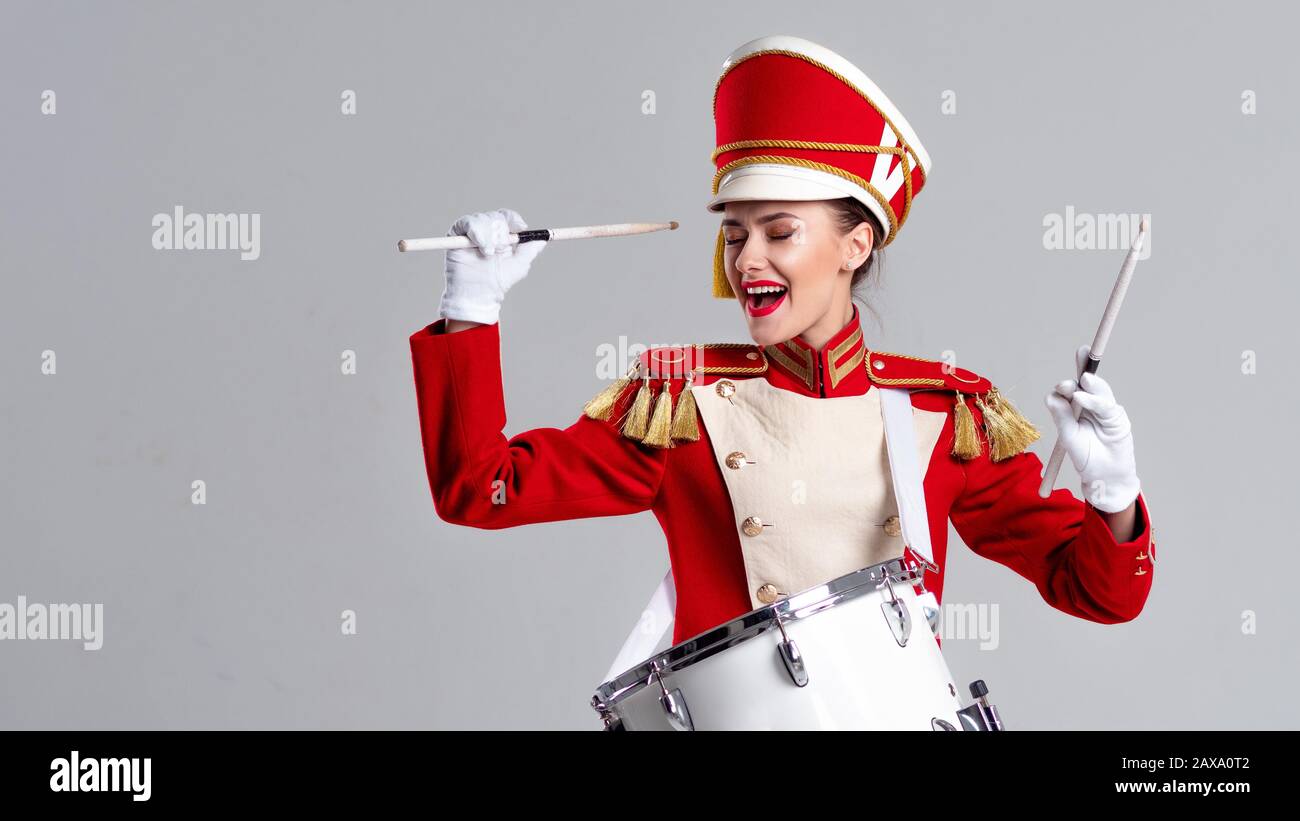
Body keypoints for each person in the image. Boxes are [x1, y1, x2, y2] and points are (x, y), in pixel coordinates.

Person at [409, 35, 1154, 651]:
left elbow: (1096, 590)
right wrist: (472, 305)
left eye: (780, 231)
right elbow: (480, 489)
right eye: (735, 234)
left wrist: (1113, 494)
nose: (746, 260)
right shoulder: (679, 407)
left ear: (856, 244)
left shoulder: (944, 414)